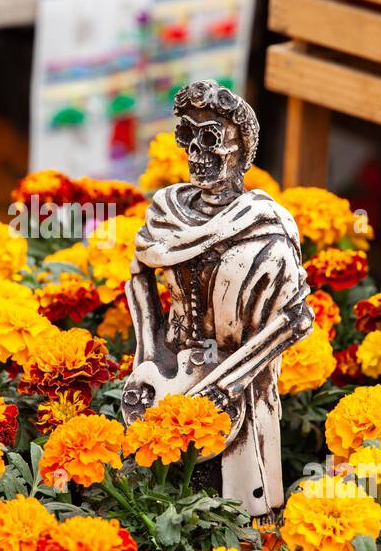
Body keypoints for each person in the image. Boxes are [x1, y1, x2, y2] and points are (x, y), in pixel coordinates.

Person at [122, 80, 313, 518]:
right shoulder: (166, 212)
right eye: (186, 136)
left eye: (210, 138)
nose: (196, 151)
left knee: (235, 506)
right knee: (158, 497)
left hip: (237, 387)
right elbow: (138, 277)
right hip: (169, 377)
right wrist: (149, 355)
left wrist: (228, 383)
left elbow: (297, 318)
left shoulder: (265, 227)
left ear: (241, 150)